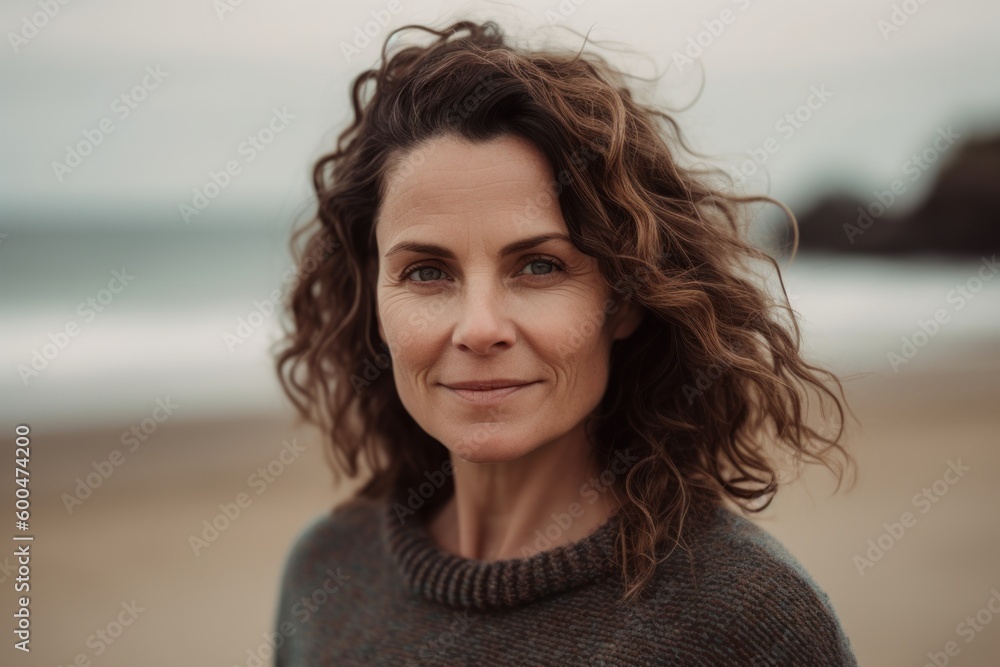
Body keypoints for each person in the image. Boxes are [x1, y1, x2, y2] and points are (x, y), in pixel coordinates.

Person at [270, 18, 859, 666]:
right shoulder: (324, 578)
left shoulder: (744, 620)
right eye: (427, 272)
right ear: (373, 301)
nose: (480, 327)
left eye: (539, 266)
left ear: (627, 296)